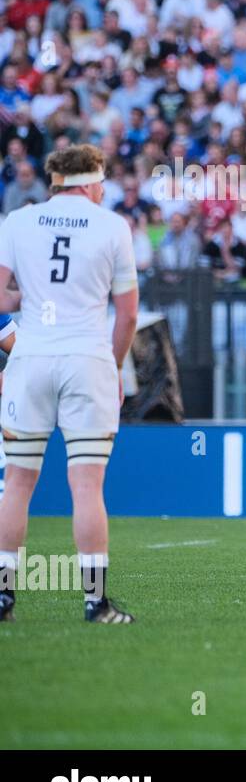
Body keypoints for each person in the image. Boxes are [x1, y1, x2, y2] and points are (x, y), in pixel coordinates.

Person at [0, 144, 140, 624]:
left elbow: (1, 293)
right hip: (86, 357)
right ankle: (95, 602)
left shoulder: (18, 221)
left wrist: (32, 293)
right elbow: (128, 314)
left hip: (32, 356)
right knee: (86, 484)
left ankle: (3, 596)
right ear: (92, 181)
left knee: (16, 483)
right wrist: (115, 367)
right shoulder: (112, 226)